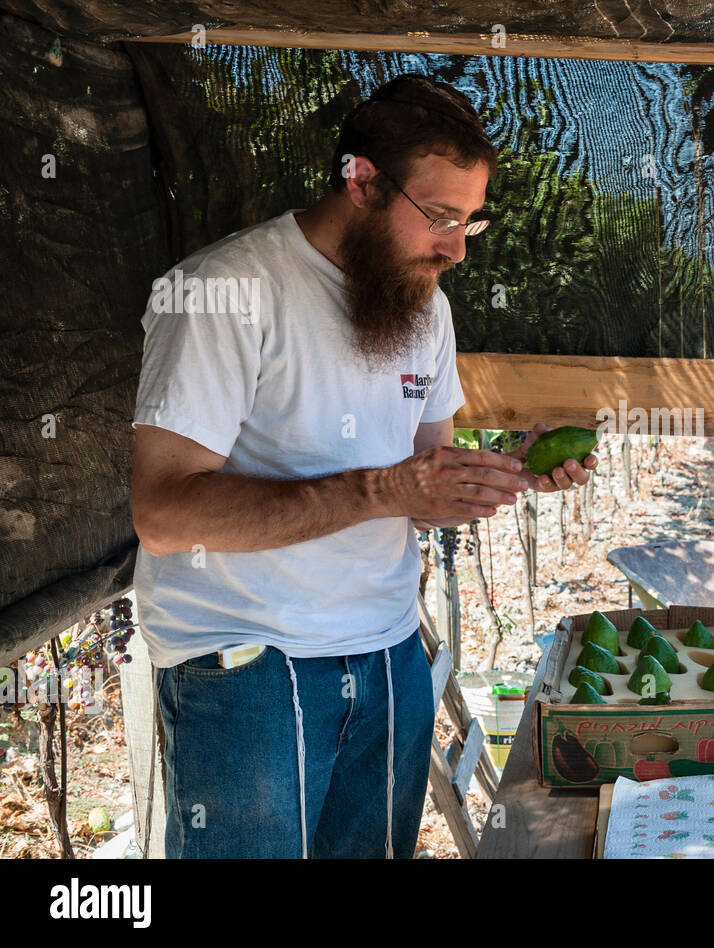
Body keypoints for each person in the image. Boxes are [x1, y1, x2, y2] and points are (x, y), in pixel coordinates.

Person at [130, 74, 597, 858]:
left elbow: (422, 485)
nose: (453, 247)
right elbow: (166, 515)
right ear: (363, 181)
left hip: (385, 652)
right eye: (440, 216)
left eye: (469, 224)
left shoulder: (424, 307)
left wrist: (501, 474)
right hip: (245, 662)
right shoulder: (221, 293)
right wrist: (384, 488)